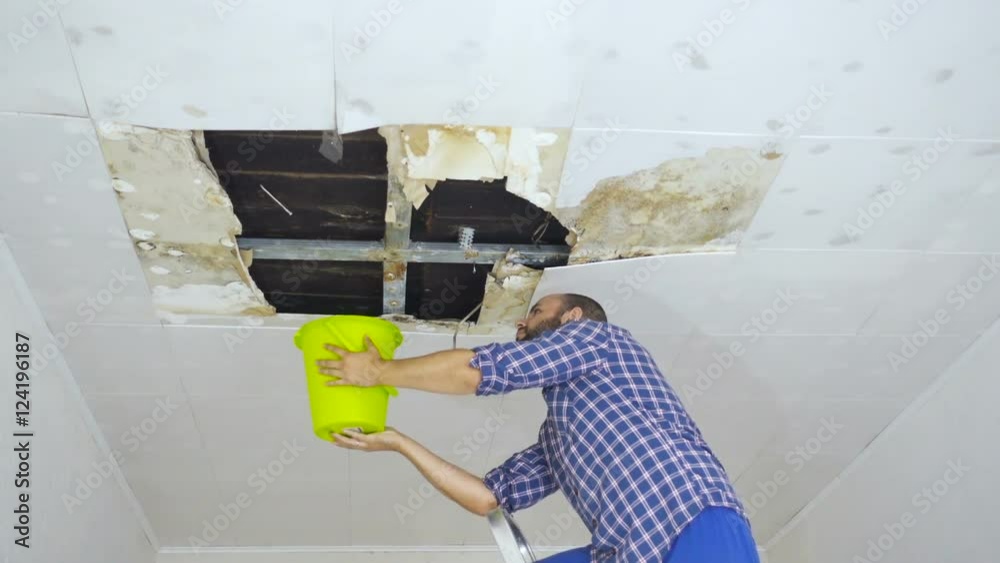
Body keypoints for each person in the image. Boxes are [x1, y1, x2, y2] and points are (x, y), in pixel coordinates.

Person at [317, 293, 759, 562]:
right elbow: (488, 498)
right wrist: (399, 442)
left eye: (534, 310)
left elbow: (484, 371)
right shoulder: (559, 436)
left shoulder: (600, 338)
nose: (520, 322)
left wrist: (378, 372)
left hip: (687, 516)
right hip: (623, 550)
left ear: (573, 318)